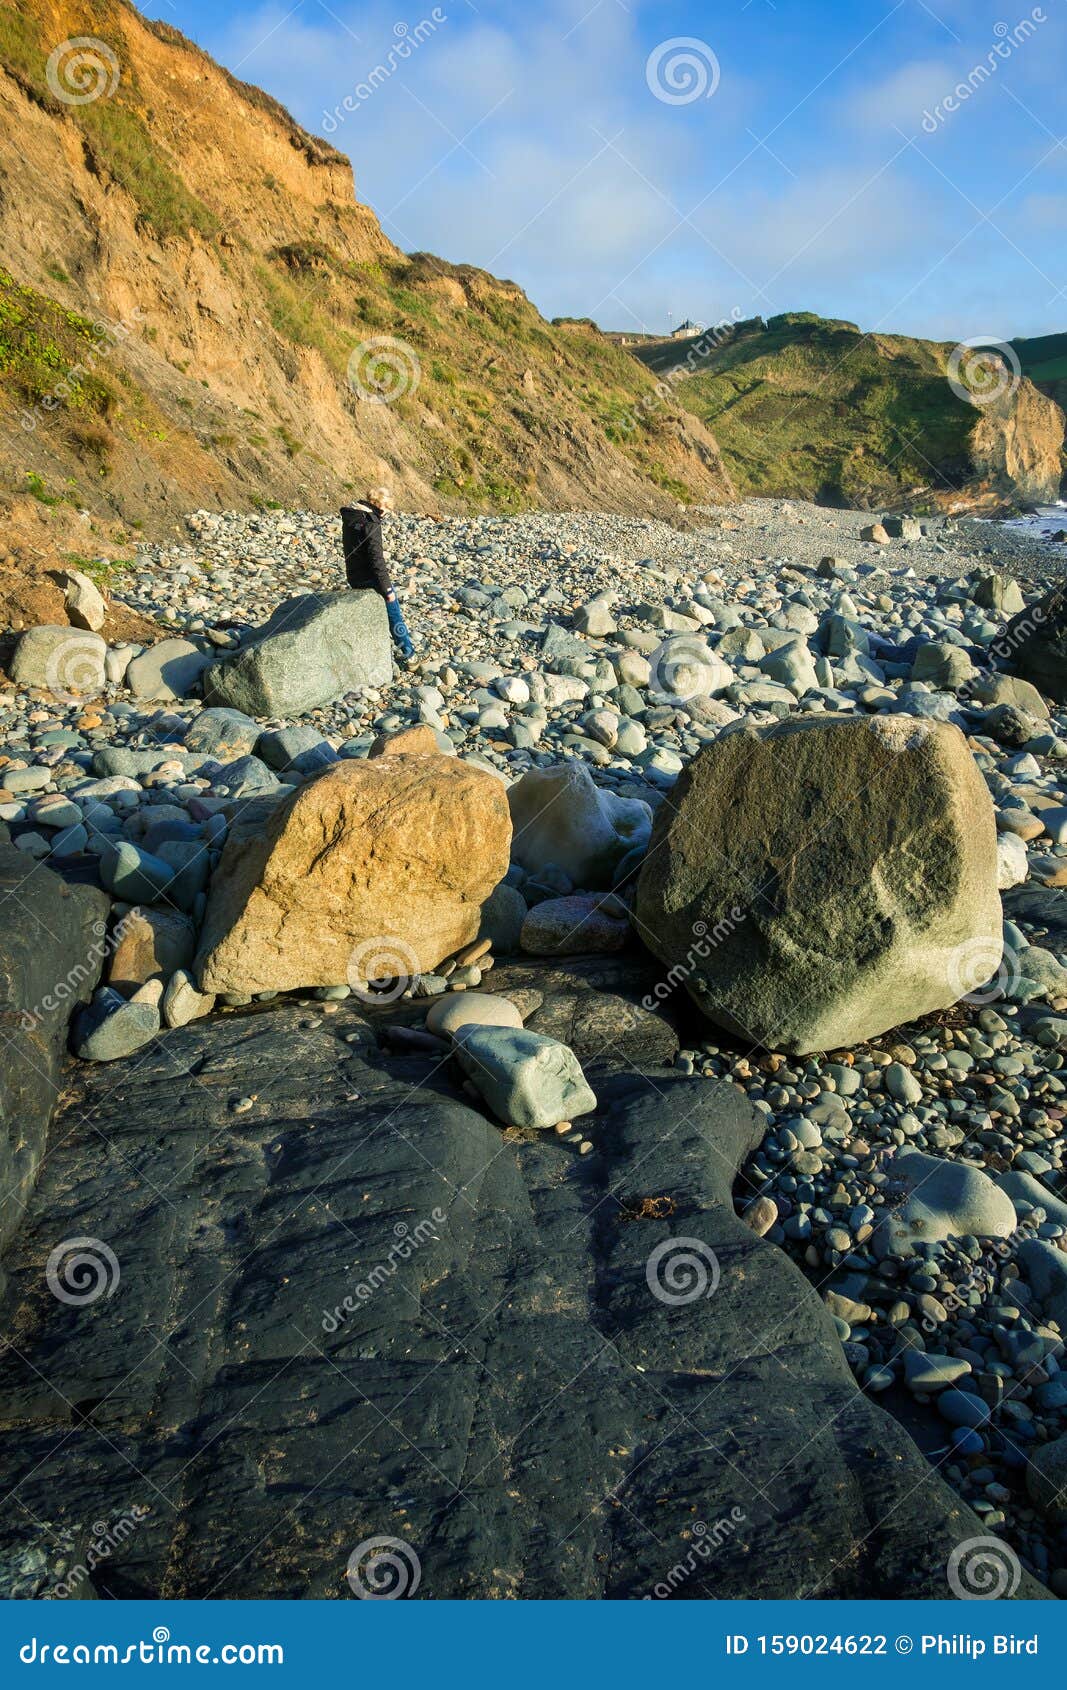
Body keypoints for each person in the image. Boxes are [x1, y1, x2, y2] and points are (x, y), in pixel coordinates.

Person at [340, 487, 415, 661]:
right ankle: (408, 652)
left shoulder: (352, 516)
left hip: (354, 576)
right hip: (370, 578)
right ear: (380, 506)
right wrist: (387, 589)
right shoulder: (371, 522)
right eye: (388, 509)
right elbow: (376, 560)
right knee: (394, 611)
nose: (387, 513)